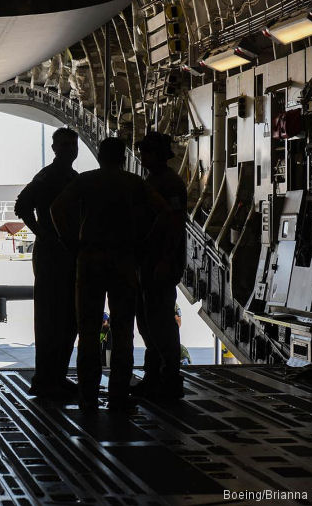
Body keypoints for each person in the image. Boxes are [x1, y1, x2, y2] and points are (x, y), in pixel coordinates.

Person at [51, 137, 166, 412]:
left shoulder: (86, 181)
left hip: (89, 258)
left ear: (100, 157)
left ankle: (87, 397)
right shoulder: (134, 183)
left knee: (87, 332)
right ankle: (118, 397)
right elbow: (163, 210)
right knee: (123, 332)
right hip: (124, 259)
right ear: (123, 158)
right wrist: (143, 241)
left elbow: (57, 209)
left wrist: (69, 242)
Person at [14, 127, 80, 400]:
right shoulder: (50, 176)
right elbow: (22, 205)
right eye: (65, 145)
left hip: (63, 252)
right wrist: (44, 234)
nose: (69, 150)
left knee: (67, 319)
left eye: (72, 145)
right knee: (52, 318)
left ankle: (56, 376)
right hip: (54, 254)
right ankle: (46, 378)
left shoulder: (69, 177)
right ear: (55, 149)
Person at [133, 131, 188, 401]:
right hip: (149, 260)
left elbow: (175, 223)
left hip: (160, 261)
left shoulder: (169, 183)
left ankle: (168, 378)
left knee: (160, 321)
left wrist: (166, 259)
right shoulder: (155, 180)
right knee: (148, 321)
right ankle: (155, 376)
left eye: (147, 152)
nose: (143, 157)